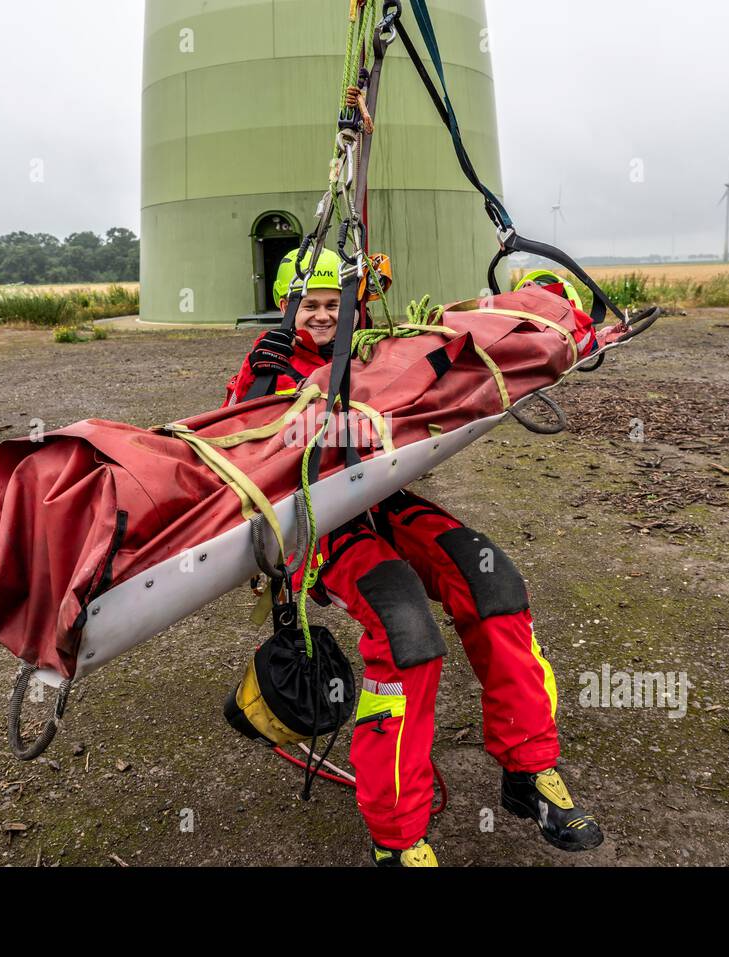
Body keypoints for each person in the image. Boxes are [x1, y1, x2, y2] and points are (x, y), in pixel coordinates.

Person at [225, 247, 604, 866]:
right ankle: (398, 837)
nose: (322, 317)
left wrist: (549, 311)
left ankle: (529, 769)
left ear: (360, 305)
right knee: (404, 628)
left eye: (335, 304)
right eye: (309, 305)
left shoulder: (380, 349)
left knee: (494, 586)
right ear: (288, 307)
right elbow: (242, 454)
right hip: (316, 525)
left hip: (380, 501)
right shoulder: (267, 367)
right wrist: (255, 388)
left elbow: (462, 352)